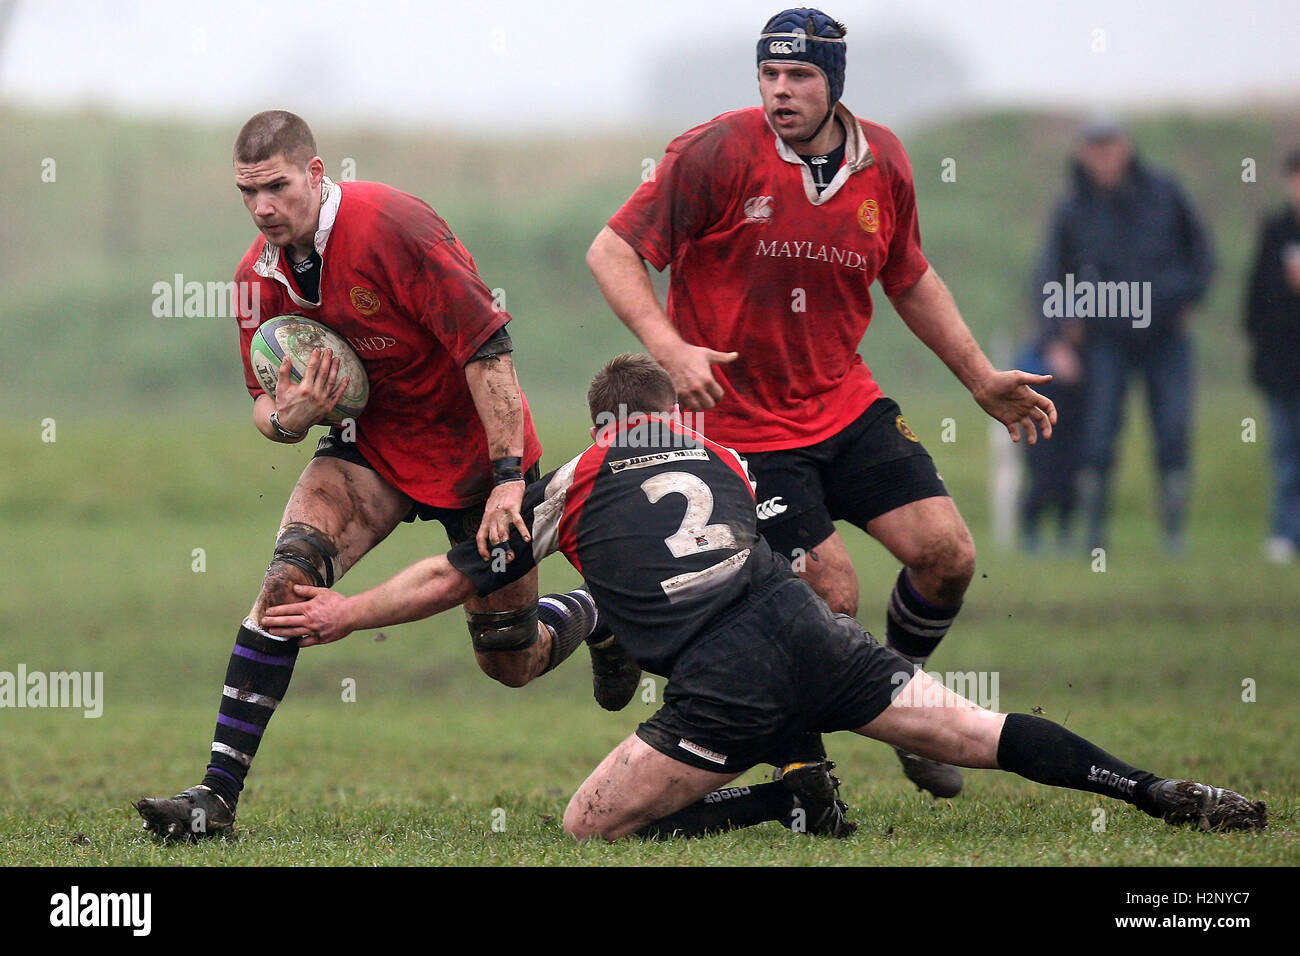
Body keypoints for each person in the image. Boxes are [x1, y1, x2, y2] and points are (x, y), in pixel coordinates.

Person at [262, 354, 1265, 841]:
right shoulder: (728, 450)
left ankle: (782, 797)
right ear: (667, 412)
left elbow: (457, 574)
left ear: (607, 419)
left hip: (719, 681)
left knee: (588, 826)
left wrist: (345, 612)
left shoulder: (571, 476)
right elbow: (804, 561)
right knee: (985, 730)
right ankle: (1148, 789)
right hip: (811, 632)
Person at [585, 8, 1056, 800]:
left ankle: (906, 705)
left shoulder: (886, 163)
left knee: (949, 557)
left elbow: (908, 276)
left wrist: (980, 378)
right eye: (769, 75)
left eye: (799, 76)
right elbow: (612, 251)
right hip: (739, 426)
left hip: (844, 401)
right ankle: (806, 770)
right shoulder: (716, 152)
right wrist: (672, 351)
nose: (780, 91)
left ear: (834, 83)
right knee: (830, 593)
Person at [135, 110, 637, 841]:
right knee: (285, 586)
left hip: (476, 453)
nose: (262, 208)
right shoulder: (257, 275)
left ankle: (600, 613)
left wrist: (505, 479)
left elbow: (488, 350)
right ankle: (214, 799)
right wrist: (292, 417)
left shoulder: (395, 226)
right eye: (247, 193)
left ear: (316, 173)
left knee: (510, 661)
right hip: (372, 449)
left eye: (276, 187)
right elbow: (263, 410)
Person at [1037, 117, 1214, 554]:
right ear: (1082, 153)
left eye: (1111, 146)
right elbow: (1050, 273)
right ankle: (1094, 536)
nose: (1104, 157)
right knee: (1098, 434)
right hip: (1104, 339)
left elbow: (1202, 253)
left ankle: (1173, 535)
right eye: (1095, 148)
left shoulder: (1165, 192)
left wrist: (1189, 297)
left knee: (1172, 429)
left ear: (1127, 147)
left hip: (1166, 337)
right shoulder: (1073, 206)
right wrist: (1057, 335)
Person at [1244, 149, 1300, 563]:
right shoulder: (1275, 231)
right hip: (1283, 366)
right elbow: (1256, 302)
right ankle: (1284, 531)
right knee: (1284, 451)